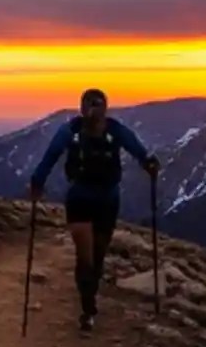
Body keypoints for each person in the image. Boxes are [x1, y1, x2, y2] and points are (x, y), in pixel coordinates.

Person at [29, 88, 160, 333]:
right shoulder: (85, 131)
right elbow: (50, 157)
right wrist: (38, 180)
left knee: (96, 255)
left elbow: (138, 151)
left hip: (100, 199)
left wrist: (148, 162)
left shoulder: (96, 131)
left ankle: (89, 300)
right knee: (87, 255)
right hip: (88, 198)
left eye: (95, 105)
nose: (91, 110)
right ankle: (87, 308)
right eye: (89, 105)